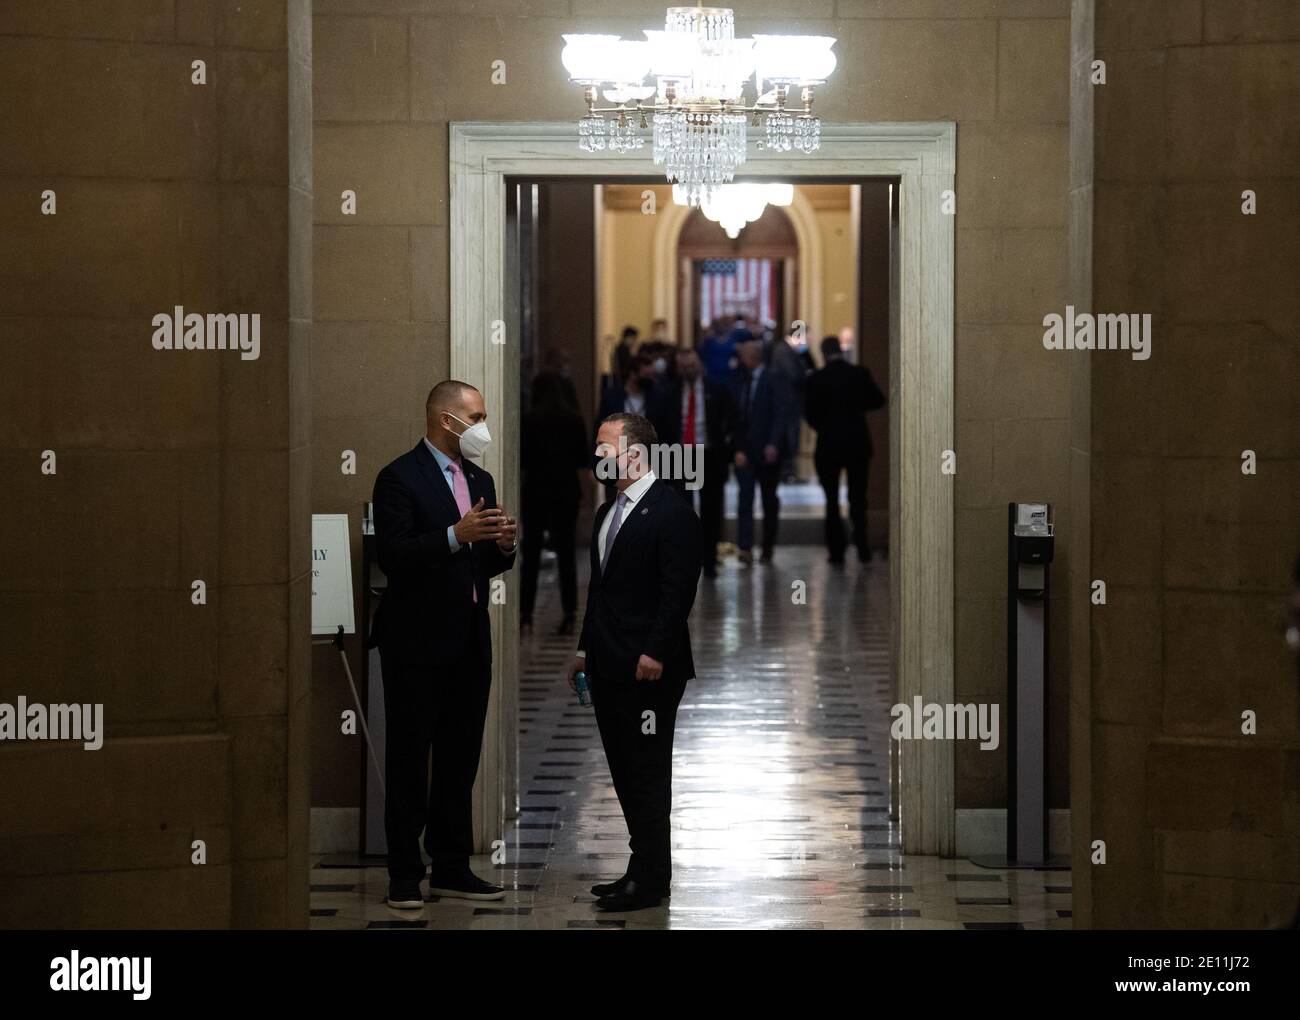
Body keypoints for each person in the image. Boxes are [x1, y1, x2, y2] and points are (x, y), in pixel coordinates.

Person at [370, 380, 518, 908]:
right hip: (416, 644)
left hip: (469, 643)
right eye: (475, 416)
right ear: (445, 420)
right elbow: (396, 555)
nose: (482, 426)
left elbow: (487, 562)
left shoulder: (480, 477)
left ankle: (452, 866)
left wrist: (503, 544)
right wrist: (457, 534)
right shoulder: (398, 478)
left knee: (460, 759)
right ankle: (405, 875)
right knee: (411, 759)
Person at [565, 412, 703, 911]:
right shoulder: (607, 513)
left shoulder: (672, 511)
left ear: (635, 453)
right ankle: (640, 867)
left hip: (649, 670)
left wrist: (655, 651)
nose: (597, 454)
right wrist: (583, 650)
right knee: (623, 770)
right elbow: (597, 592)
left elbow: (678, 591)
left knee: (646, 771)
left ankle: (651, 878)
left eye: (605, 446)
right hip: (605, 664)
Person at [651, 347, 737, 577]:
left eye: (692, 365)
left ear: (699, 364)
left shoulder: (717, 390)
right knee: (681, 511)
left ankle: (709, 561)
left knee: (711, 511)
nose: (689, 370)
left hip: (709, 455)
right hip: (681, 456)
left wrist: (729, 452)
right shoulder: (669, 393)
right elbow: (659, 426)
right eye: (684, 366)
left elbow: (733, 421)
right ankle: (684, 561)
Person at [803, 335, 886, 564]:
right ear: (840, 349)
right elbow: (878, 400)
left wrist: (826, 426)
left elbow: (810, 415)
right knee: (858, 498)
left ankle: (836, 552)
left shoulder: (816, 379)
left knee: (831, 501)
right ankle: (862, 547)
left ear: (823, 353)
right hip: (857, 443)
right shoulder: (859, 373)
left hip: (828, 445)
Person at [520, 371, 588, 635]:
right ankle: (569, 614)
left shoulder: (529, 419)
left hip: (536, 492)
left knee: (531, 555)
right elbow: (583, 459)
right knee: (567, 555)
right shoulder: (574, 419)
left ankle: (525, 615)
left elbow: (523, 459)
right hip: (565, 492)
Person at [732, 337, 789, 564]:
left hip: (767, 451)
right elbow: (736, 418)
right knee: (744, 499)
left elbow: (780, 413)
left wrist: (773, 443)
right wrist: (737, 448)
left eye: (743, 355)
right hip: (745, 452)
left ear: (753, 357)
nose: (740, 359)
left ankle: (767, 546)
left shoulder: (774, 378)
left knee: (768, 500)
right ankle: (745, 547)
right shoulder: (740, 380)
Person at [769, 326, 815, 482]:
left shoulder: (789, 351)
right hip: (788, 402)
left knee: (792, 438)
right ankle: (788, 473)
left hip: (791, 402)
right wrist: (806, 374)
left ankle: (790, 472)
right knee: (789, 439)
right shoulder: (784, 351)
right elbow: (794, 375)